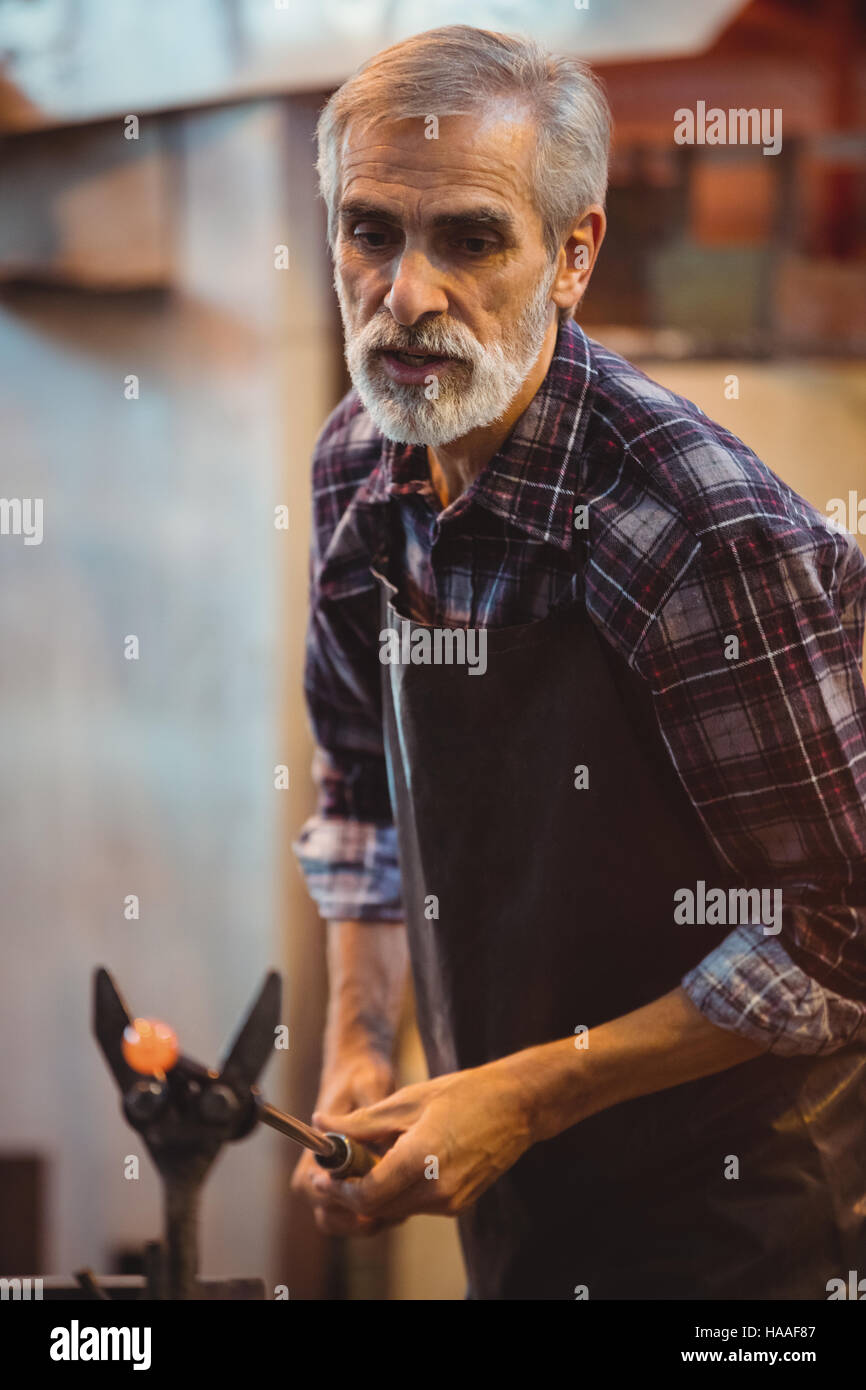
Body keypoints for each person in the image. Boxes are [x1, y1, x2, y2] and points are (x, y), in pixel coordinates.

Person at [291, 25, 866, 1299]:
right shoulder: (356, 466)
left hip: (747, 1236)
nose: (406, 298)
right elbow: (359, 799)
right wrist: (355, 1058)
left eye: (470, 240)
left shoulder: (697, 530)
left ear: (572, 256)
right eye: (370, 232)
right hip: (526, 1214)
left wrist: (531, 1091)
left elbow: (843, 930)